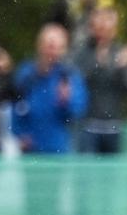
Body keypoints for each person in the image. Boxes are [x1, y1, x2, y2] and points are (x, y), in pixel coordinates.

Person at [12, 23, 89, 154]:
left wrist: (66, 101)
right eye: (50, 46)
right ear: (39, 45)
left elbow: (79, 110)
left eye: (59, 47)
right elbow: (13, 105)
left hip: (59, 148)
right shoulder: (26, 73)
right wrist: (19, 133)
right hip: (30, 149)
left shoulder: (69, 75)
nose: (53, 52)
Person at [73, 6, 127, 154]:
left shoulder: (120, 52)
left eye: (106, 26)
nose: (102, 30)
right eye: (98, 26)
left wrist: (123, 67)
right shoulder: (82, 52)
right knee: (88, 172)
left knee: (112, 173)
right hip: (88, 124)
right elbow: (77, 81)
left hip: (114, 125)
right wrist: (98, 64)